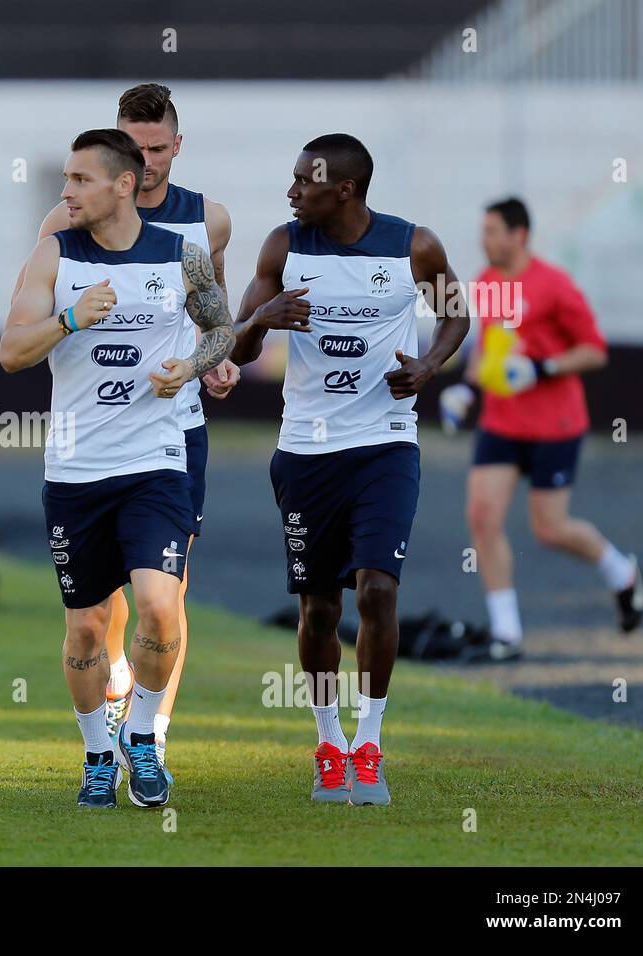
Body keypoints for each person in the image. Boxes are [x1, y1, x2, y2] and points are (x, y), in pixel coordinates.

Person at [228, 133, 469, 806]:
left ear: (345, 190)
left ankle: (370, 742)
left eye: (304, 181)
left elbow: (456, 316)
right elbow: (237, 346)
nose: (291, 191)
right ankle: (328, 742)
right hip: (306, 452)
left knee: (378, 592)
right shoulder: (283, 247)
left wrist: (428, 366)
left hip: (386, 444)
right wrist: (263, 318)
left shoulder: (414, 246)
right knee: (318, 608)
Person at [1, 128, 234, 809]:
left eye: (80, 180)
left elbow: (222, 329)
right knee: (86, 626)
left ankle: (141, 734)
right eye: (66, 179)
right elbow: (12, 351)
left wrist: (191, 366)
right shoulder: (54, 254)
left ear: (123, 184)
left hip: (154, 463)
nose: (66, 192)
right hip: (76, 472)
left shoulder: (182, 256)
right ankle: (97, 753)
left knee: (161, 607)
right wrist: (71, 320)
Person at [447, 197, 643, 662]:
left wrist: (542, 367)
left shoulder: (554, 284)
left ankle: (621, 573)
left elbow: (594, 350)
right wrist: (466, 390)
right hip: (501, 422)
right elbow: (488, 347)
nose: (483, 240)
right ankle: (507, 633)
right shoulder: (486, 282)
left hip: (555, 425)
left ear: (519, 235)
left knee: (550, 529)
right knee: (482, 516)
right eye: (483, 230)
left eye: (492, 231)